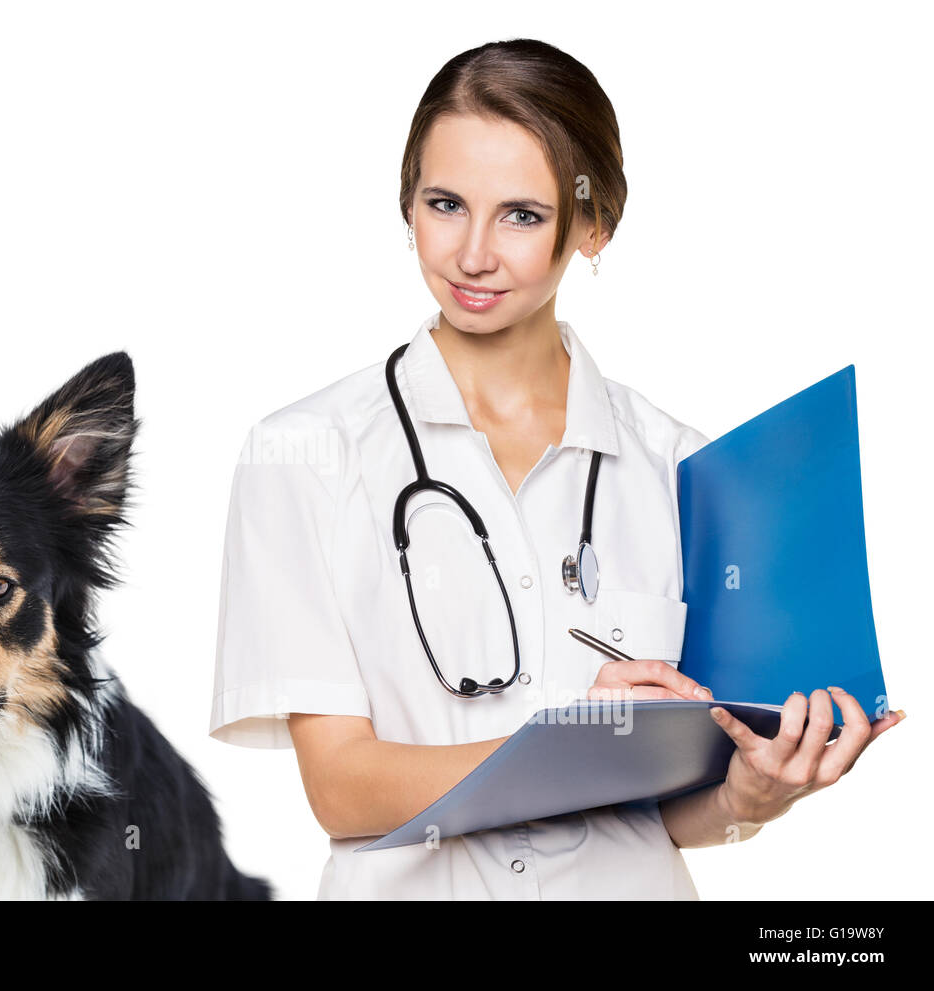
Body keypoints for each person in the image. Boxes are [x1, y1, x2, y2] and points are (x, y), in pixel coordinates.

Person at [208, 38, 904, 899]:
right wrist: (576, 737)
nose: (471, 253)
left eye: (522, 216)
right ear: (407, 203)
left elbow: (665, 813)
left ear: (595, 222)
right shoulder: (303, 455)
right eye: (445, 203)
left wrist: (751, 791)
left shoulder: (684, 470)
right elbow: (343, 790)